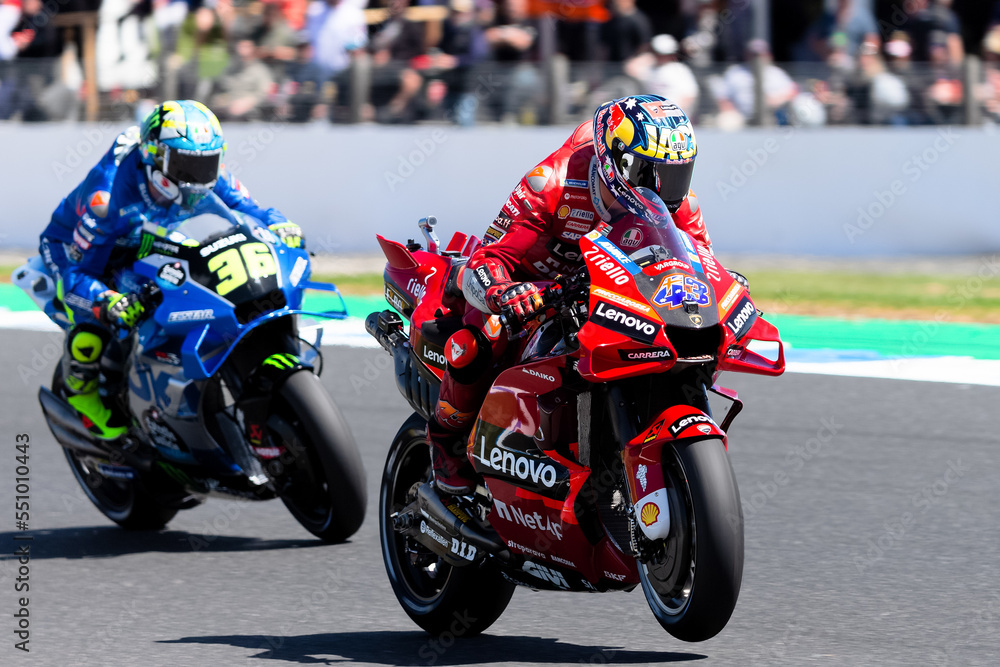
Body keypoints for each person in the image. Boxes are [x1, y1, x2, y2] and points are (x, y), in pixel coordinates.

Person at [427, 94, 713, 494]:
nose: (667, 188)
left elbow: (700, 264)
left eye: (679, 172)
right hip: (534, 295)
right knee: (478, 342)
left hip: (608, 297)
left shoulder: (680, 205)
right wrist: (503, 291)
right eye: (652, 173)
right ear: (617, 164)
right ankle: (444, 443)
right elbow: (488, 258)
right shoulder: (553, 182)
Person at [38, 100, 303, 441]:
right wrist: (106, 300)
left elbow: (247, 208)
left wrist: (279, 224)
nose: (198, 179)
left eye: (206, 165)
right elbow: (75, 276)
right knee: (105, 316)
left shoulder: (202, 173)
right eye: (185, 167)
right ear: (154, 157)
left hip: (149, 236)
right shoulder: (107, 200)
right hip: (77, 248)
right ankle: (80, 390)